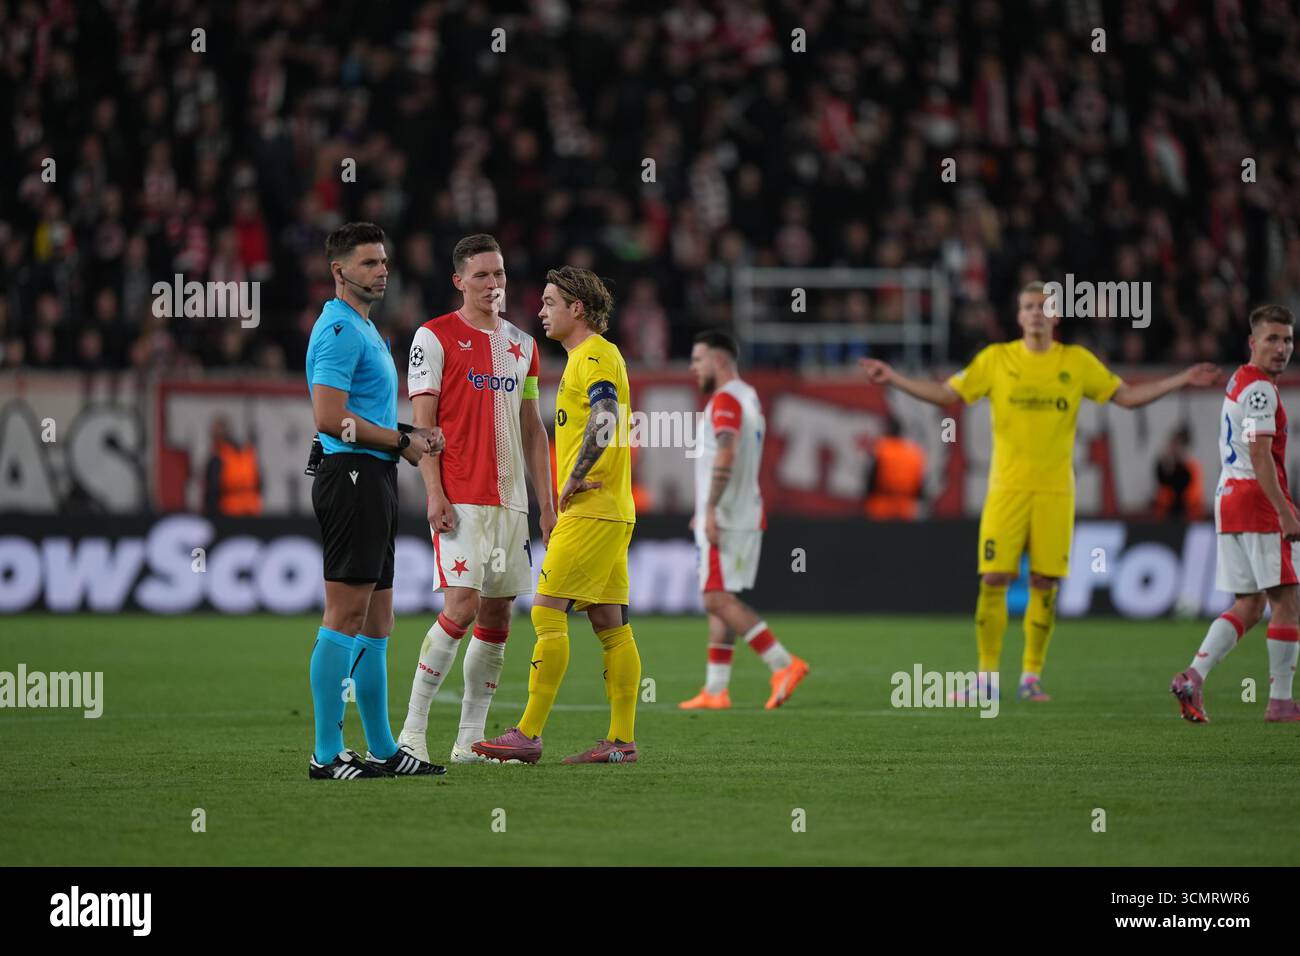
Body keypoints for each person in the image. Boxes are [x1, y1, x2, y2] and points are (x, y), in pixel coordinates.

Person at [861, 280, 1219, 702]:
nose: (1035, 313)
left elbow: (1126, 397)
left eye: (1043, 306)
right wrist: (894, 378)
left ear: (1056, 316)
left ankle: (1030, 677)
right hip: (1006, 489)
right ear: (1018, 316)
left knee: (1044, 582)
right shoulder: (996, 359)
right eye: (1028, 306)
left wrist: (1181, 378)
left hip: (1054, 492)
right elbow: (945, 395)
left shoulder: (1076, 362)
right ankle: (986, 679)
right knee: (993, 578)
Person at [397, 234, 554, 764]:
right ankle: (413, 730)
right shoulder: (433, 337)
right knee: (460, 608)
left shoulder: (522, 345)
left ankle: (469, 739)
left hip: (510, 504)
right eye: (482, 275)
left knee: (498, 618)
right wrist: (434, 492)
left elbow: (533, 430)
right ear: (459, 281)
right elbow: (424, 425)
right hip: (460, 497)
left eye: (500, 275)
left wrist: (546, 503)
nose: (494, 285)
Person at [473, 266, 641, 764]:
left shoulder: (594, 355)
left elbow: (606, 417)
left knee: (547, 611)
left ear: (577, 309)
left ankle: (527, 733)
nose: (541, 311)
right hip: (611, 510)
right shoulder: (585, 358)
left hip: (591, 509)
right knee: (611, 623)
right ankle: (621, 741)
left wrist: (571, 479)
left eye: (549, 302)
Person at [305, 221, 445, 779]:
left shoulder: (366, 329)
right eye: (368, 263)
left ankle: (384, 750)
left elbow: (368, 415)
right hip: (352, 477)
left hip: (376, 476)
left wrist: (407, 435)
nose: (381, 270)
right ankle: (324, 754)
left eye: (383, 261)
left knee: (378, 620)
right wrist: (403, 441)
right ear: (339, 271)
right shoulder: (338, 331)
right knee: (344, 613)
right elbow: (328, 418)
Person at [1171, 304, 1300, 723]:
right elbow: (1261, 456)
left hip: (1229, 497)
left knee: (1248, 603)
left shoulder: (1240, 380)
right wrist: (1285, 511)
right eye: (1272, 339)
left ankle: (1194, 674)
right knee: (1286, 600)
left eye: (1288, 340)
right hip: (1257, 500)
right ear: (1252, 342)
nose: (1282, 348)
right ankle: (1280, 702)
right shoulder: (1261, 389)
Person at [678, 330, 809, 711]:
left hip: (728, 515)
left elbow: (726, 454)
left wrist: (709, 509)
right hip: (740, 510)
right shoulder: (749, 396)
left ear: (719, 361)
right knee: (721, 599)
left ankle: (783, 663)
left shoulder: (725, 400)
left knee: (715, 597)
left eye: (698, 359)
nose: (692, 367)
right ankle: (716, 689)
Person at [863, 415, 926, 520]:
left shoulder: (882, 447)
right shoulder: (914, 452)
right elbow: (920, 484)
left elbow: (872, 476)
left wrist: (867, 496)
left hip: (882, 505)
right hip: (907, 507)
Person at [204, 417, 262, 516]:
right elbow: (260, 482)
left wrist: (211, 513)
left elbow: (212, 489)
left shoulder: (219, 456)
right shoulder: (247, 452)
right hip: (252, 510)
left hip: (229, 512)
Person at [1152, 426, 1203, 520]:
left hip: (1188, 512)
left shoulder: (1189, 465)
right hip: (1166, 512)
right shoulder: (1165, 464)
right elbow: (1162, 481)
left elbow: (1184, 483)